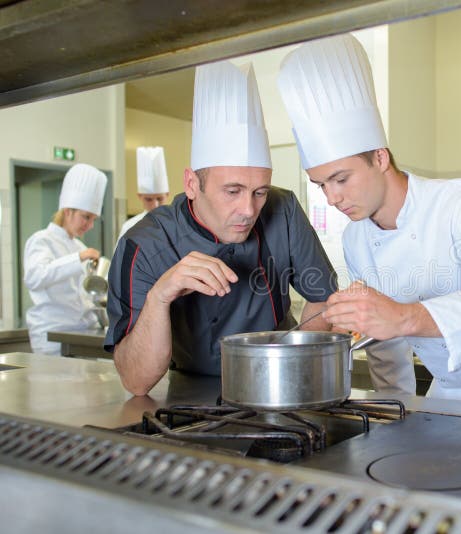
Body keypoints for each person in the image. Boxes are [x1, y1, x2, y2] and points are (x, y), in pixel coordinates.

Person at [278, 34, 461, 407]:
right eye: (321, 185)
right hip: (449, 394)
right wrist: (393, 408)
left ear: (380, 158)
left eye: (341, 179)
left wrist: (406, 317)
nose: (332, 198)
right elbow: (385, 341)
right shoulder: (356, 238)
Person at [105, 60, 336, 396]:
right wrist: (160, 297)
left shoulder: (283, 210)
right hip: (187, 393)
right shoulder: (144, 244)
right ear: (191, 184)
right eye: (232, 191)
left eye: (259, 192)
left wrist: (291, 367)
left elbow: (323, 299)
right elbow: (136, 381)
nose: (249, 210)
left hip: (276, 384)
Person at [24, 163, 107, 355]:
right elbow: (35, 278)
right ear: (68, 211)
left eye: (93, 219)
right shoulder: (41, 240)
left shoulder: (80, 247)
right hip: (52, 337)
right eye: (86, 217)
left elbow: (85, 295)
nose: (90, 225)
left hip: (81, 334)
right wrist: (78, 259)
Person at [117, 146, 170, 243]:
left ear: (167, 195)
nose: (155, 205)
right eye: (149, 199)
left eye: (159, 198)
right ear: (139, 196)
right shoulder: (130, 227)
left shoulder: (178, 225)